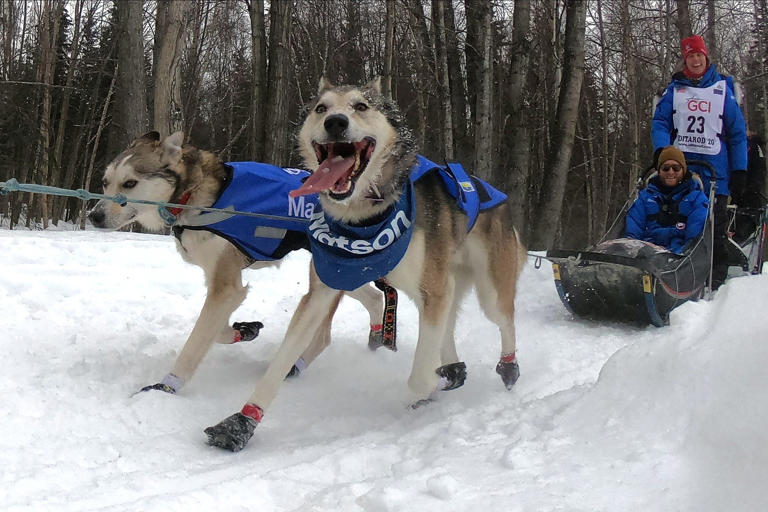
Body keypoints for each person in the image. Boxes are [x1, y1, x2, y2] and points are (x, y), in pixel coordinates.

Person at [651, 35, 748, 287]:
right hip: (682, 172)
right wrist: (662, 151)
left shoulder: (723, 88)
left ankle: (715, 282)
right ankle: (675, 276)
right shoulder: (675, 90)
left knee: (715, 230)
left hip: (717, 173)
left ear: (706, 57)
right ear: (685, 60)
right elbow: (660, 122)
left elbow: (737, 133)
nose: (695, 60)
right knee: (678, 224)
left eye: (699, 55)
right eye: (690, 56)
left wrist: (740, 170)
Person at [626, 146, 709, 254]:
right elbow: (634, 228)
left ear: (683, 170)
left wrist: (680, 253)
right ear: (659, 171)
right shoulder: (645, 197)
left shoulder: (697, 199)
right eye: (665, 168)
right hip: (646, 252)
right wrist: (634, 249)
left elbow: (694, 239)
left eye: (676, 168)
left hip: (680, 256)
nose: (670, 172)